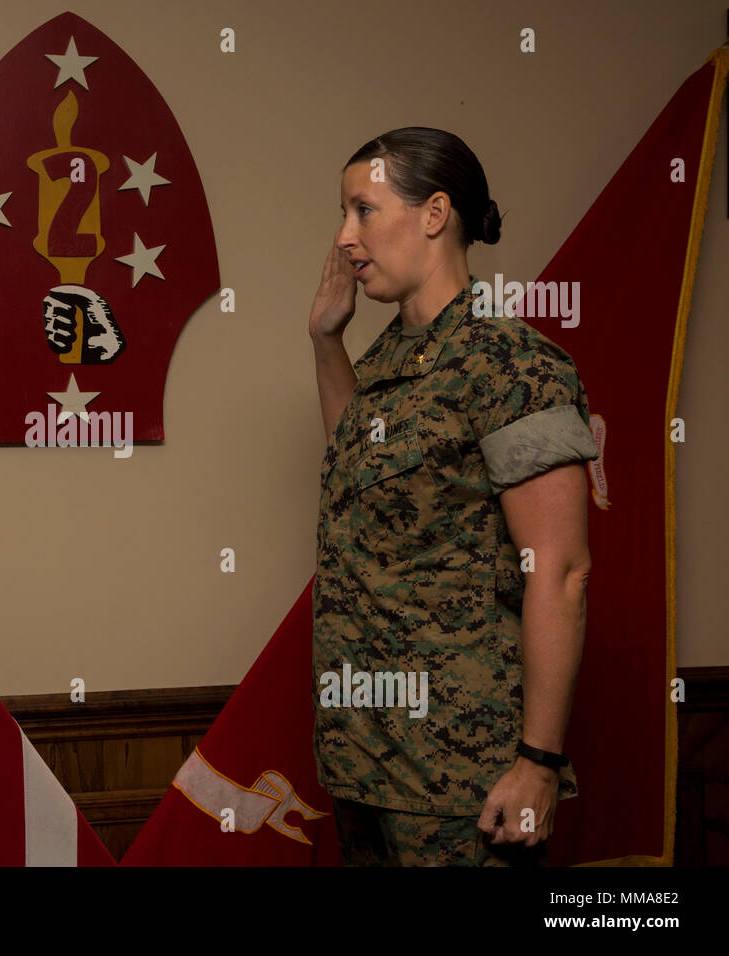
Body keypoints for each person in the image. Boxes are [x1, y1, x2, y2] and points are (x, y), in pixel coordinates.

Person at [307, 127, 598, 866]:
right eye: (343, 214)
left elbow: (561, 571)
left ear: (434, 214)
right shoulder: (386, 357)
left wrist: (539, 762)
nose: (345, 236)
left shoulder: (512, 364)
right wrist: (326, 342)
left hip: (460, 774)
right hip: (365, 754)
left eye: (363, 210)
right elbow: (359, 462)